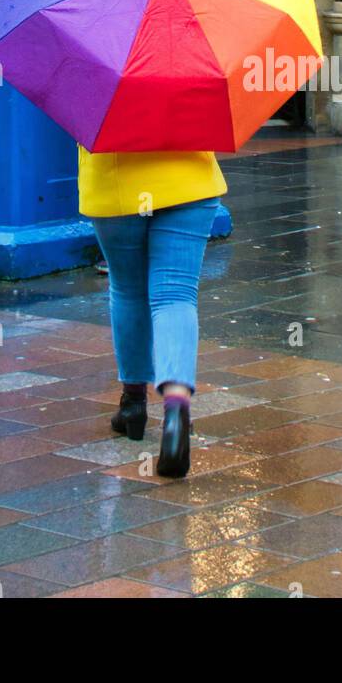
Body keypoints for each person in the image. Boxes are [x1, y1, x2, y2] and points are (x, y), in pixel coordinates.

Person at [80, 147, 226, 478]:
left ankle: (133, 404)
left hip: (116, 182)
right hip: (190, 179)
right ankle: (176, 410)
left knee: (128, 289)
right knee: (176, 295)